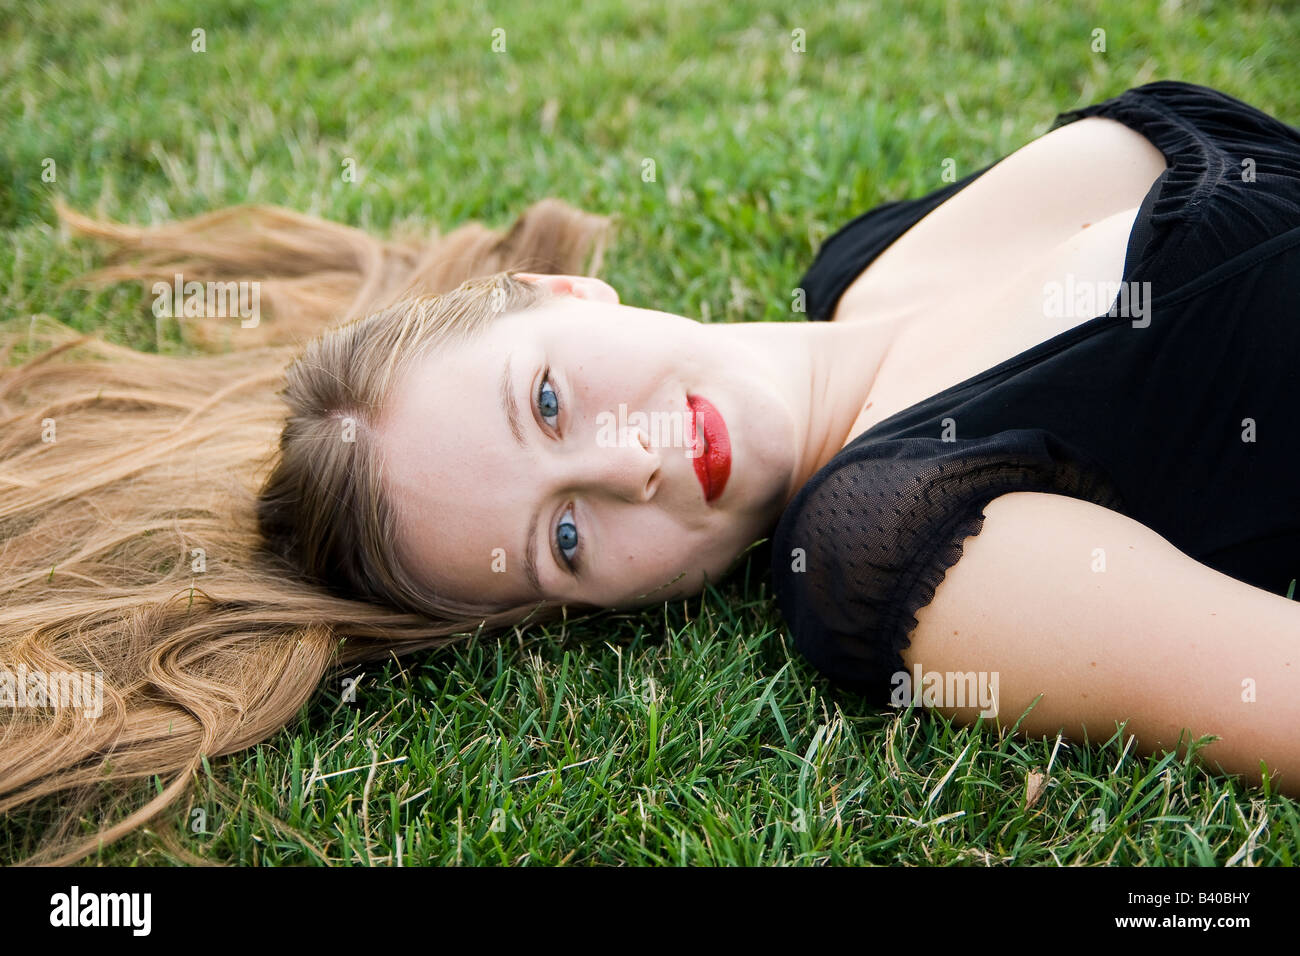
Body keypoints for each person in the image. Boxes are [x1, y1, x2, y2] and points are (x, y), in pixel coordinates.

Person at [3, 80, 1298, 864]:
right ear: (586, 611)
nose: (630, 469)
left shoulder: (868, 265)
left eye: (550, 399)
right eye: (564, 541)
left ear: (555, 291)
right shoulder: (891, 546)